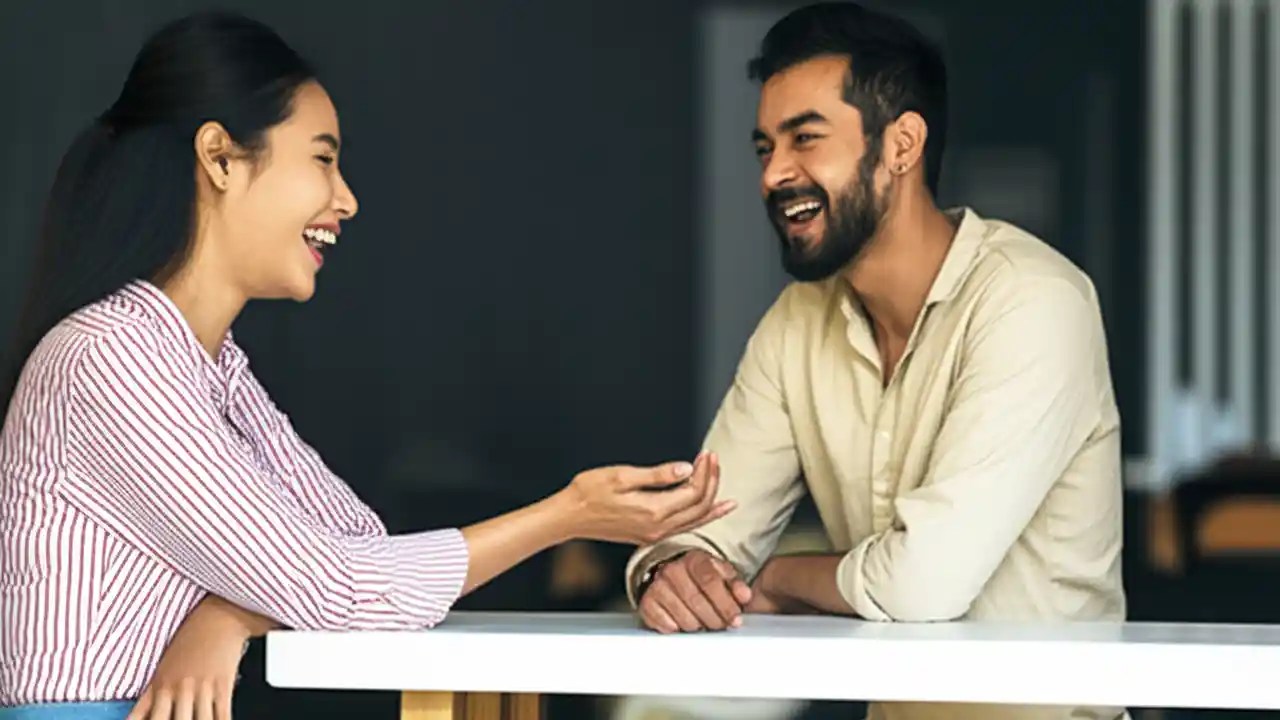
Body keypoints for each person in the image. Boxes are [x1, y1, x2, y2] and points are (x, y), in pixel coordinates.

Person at [0, 12, 731, 720]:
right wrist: (567, 515)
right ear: (220, 158)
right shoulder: (108, 360)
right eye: (323, 158)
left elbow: (362, 552)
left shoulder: (212, 369)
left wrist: (233, 613)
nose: (346, 199)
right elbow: (345, 589)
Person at [626, 3, 1126, 720]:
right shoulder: (795, 326)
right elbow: (700, 535)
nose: (774, 174)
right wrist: (671, 575)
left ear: (902, 144)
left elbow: (924, 585)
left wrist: (776, 580)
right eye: (765, 147)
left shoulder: (1035, 302)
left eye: (805, 139)